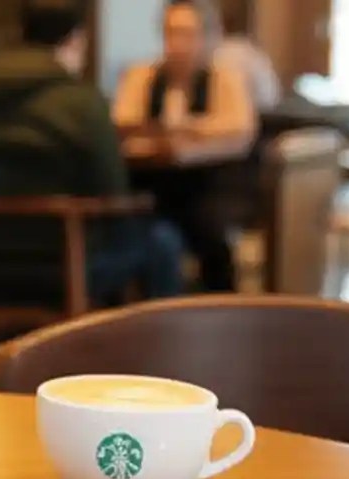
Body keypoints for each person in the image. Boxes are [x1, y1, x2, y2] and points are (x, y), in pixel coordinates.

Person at [0, 0, 183, 308]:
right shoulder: (80, 102)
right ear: (76, 38)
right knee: (163, 239)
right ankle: (153, 350)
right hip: (69, 262)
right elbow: (112, 191)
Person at [113, 0, 255, 292]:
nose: (177, 43)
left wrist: (181, 131)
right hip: (151, 185)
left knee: (210, 230)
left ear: (207, 36)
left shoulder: (223, 78)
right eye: (170, 33)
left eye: (187, 33)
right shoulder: (143, 76)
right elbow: (124, 123)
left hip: (209, 185)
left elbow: (239, 130)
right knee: (147, 231)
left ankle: (221, 308)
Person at [212, 3, 280, 111]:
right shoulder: (256, 55)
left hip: (246, 118)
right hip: (268, 116)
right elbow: (271, 97)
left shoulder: (218, 55)